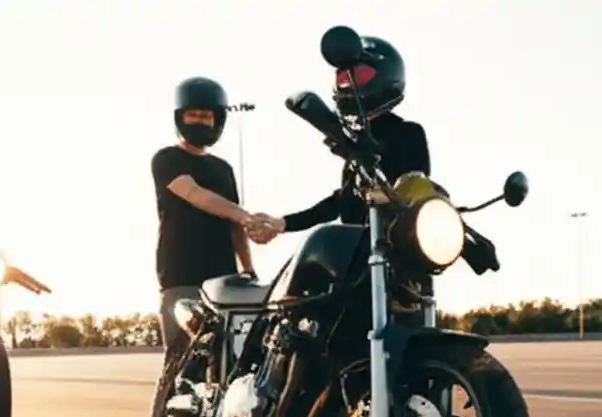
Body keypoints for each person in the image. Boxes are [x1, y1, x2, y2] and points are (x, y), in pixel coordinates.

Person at [247, 35, 430, 242]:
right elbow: (343, 200)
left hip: (399, 244)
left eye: (357, 75)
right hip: (357, 250)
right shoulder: (352, 138)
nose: (346, 83)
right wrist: (284, 222)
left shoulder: (407, 133)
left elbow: (417, 188)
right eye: (342, 77)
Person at [152, 76, 266, 355]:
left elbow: (234, 225)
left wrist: (248, 269)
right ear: (180, 118)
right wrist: (246, 216)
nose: (200, 122)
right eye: (193, 115)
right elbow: (195, 194)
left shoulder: (223, 168)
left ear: (218, 121)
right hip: (181, 274)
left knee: (226, 357)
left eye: (207, 116)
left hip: (224, 278)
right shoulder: (166, 159)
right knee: (181, 358)